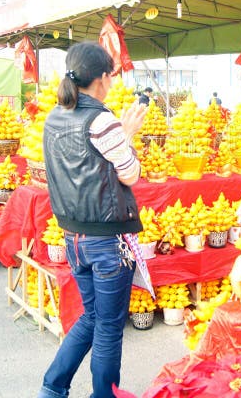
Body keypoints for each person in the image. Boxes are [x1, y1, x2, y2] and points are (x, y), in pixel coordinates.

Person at [38, 42, 146, 398]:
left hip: (74, 237)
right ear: (101, 79)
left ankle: (53, 387)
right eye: (110, 78)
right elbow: (129, 174)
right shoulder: (101, 120)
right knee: (109, 327)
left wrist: (121, 136)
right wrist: (126, 135)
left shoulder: (54, 117)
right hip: (106, 241)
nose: (112, 85)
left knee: (91, 317)